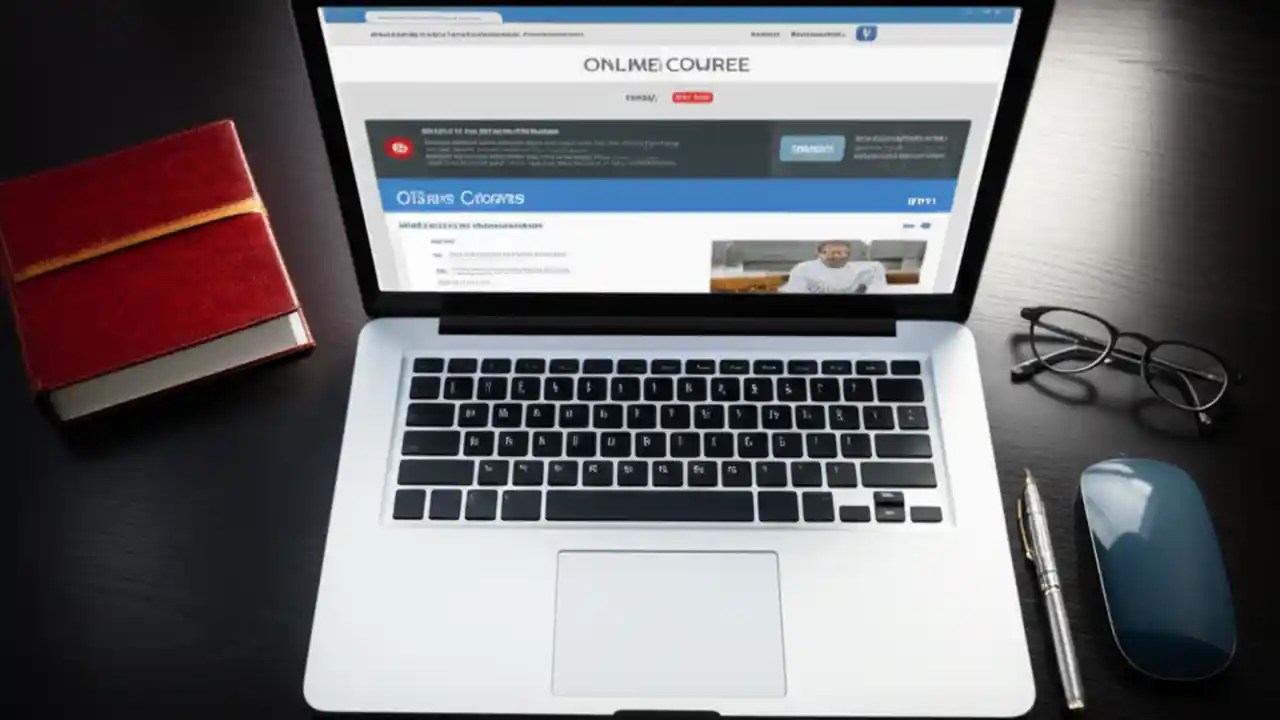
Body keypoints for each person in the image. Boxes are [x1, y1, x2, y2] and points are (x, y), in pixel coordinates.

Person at [778, 240, 887, 294]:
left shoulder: (864, 270)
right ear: (820, 253)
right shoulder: (803, 269)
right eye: (833, 252)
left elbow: (877, 287)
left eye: (843, 253)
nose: (838, 256)